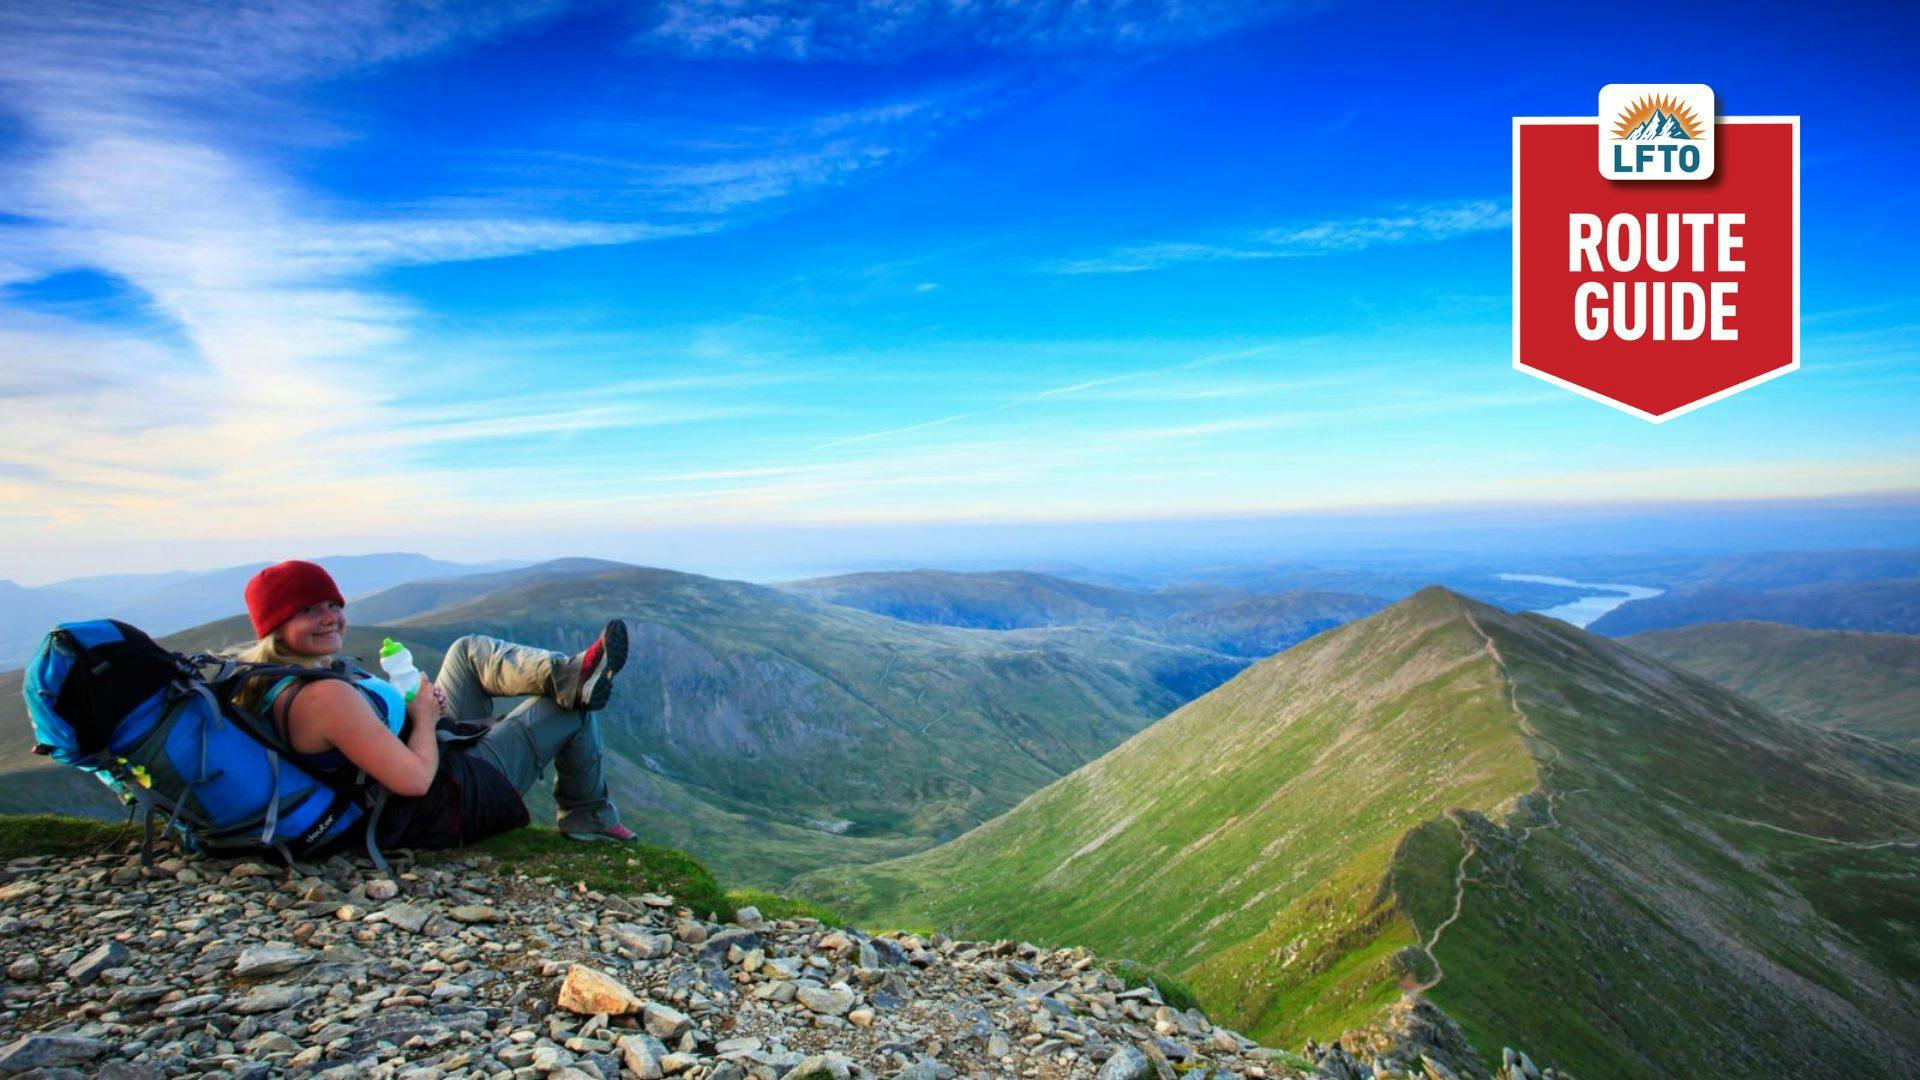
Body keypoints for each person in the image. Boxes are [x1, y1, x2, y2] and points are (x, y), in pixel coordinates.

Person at [232, 559, 638, 850]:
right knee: (571, 709)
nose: (329, 618)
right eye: (307, 610)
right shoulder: (323, 696)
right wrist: (424, 720)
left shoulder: (277, 679)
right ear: (276, 627)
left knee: (466, 651)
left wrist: (413, 711)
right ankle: (591, 818)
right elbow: (413, 782)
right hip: (442, 803)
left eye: (333, 605)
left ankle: (570, 675)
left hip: (427, 762)